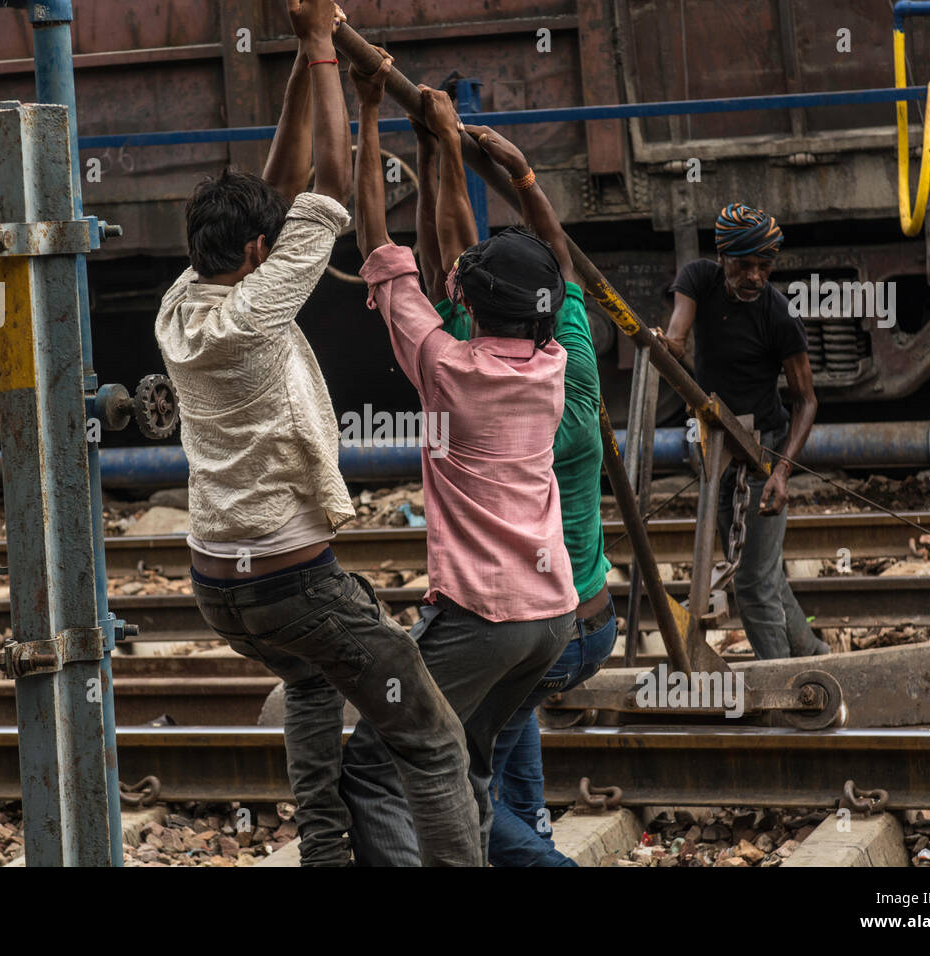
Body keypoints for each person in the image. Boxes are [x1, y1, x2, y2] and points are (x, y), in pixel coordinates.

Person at [153, 1, 480, 867]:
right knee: (430, 735)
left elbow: (279, 180)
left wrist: (308, 55)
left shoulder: (182, 302)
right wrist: (329, 52)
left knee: (306, 677)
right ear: (261, 253)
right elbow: (327, 183)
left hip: (219, 586)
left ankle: (326, 856)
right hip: (292, 585)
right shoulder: (259, 308)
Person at [339, 53, 576, 865]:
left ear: (472, 308)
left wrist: (369, 112)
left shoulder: (447, 369)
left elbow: (377, 245)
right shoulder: (550, 362)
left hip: (482, 618)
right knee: (462, 763)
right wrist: (438, 147)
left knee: (376, 759)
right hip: (552, 617)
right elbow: (500, 267)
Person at [416, 120, 617, 866]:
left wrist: (435, 157)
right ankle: (532, 826)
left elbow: (451, 262)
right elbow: (552, 267)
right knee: (508, 725)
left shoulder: (480, 394)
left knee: (458, 784)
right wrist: (524, 178)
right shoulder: (566, 358)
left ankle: (535, 856)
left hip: (534, 626)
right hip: (586, 619)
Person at [660, 203, 828, 659]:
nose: (754, 276)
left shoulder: (779, 316)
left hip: (762, 450)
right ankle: (811, 653)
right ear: (722, 258)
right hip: (715, 445)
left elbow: (806, 400)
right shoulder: (697, 278)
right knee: (762, 569)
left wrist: (781, 473)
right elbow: (678, 333)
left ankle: (783, 688)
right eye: (743, 265)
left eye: (764, 266)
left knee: (752, 582)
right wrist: (667, 346)